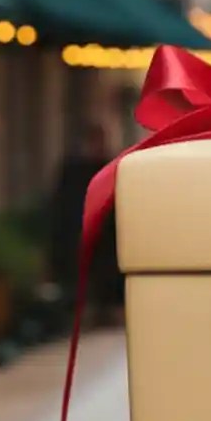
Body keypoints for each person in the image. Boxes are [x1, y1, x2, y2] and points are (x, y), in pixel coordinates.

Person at [49, 124, 123, 326]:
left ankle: (103, 311)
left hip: (105, 239)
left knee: (104, 278)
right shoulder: (72, 171)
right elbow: (62, 207)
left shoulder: (110, 168)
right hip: (78, 235)